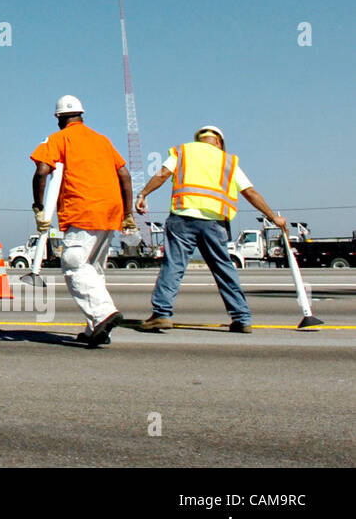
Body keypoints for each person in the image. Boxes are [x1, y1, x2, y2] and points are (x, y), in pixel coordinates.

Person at [135, 125, 285, 334]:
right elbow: (250, 192)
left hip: (183, 218)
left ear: (199, 140)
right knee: (224, 268)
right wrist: (273, 217)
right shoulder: (228, 161)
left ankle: (161, 314)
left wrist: (143, 194)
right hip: (214, 223)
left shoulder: (184, 151)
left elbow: (162, 174)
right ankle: (241, 318)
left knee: (174, 266)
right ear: (220, 142)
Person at [30, 95, 134, 347]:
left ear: (59, 118)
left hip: (83, 209)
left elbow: (42, 171)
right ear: (81, 115)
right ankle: (96, 329)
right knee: (94, 271)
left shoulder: (59, 138)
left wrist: (39, 207)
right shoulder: (102, 140)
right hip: (111, 212)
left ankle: (103, 314)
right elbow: (124, 174)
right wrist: (128, 213)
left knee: (74, 264)